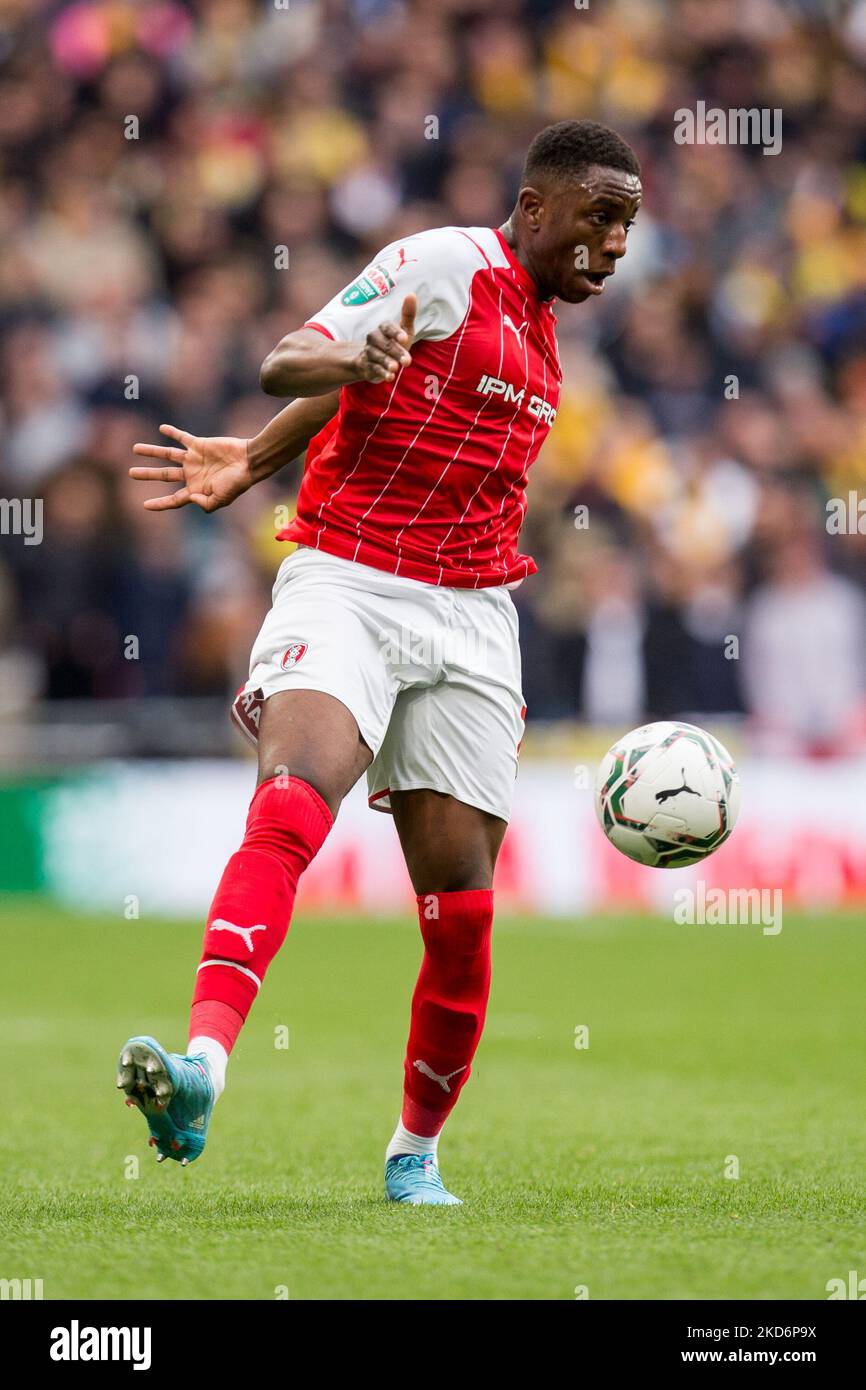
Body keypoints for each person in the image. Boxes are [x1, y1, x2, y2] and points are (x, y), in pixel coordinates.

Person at [118, 120, 642, 1205]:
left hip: (475, 616)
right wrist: (319, 384)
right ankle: (201, 1069)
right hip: (350, 579)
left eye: (629, 223)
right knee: (292, 797)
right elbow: (294, 358)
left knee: (458, 907)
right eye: (601, 214)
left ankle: (414, 1155)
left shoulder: (542, 333)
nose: (617, 241)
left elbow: (381, 387)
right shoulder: (444, 261)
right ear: (534, 206)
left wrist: (259, 455)